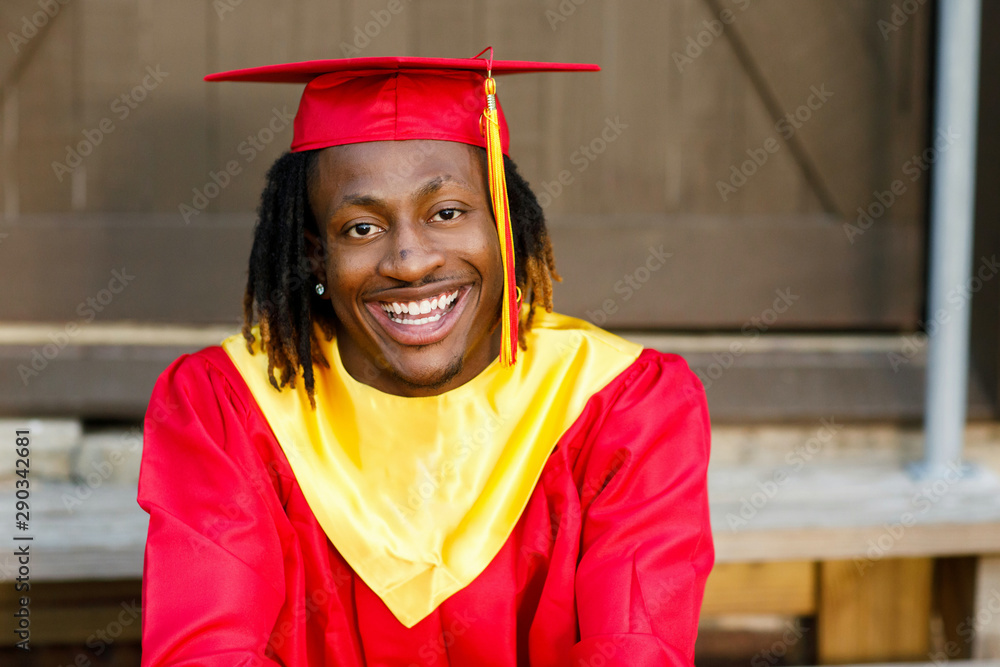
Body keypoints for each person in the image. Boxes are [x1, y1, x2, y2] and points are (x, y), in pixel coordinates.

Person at [137, 49, 713, 667]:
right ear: (313, 256)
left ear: (505, 227)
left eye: (447, 213)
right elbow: (205, 652)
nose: (410, 261)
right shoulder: (227, 406)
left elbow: (634, 650)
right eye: (361, 228)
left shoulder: (618, 404)